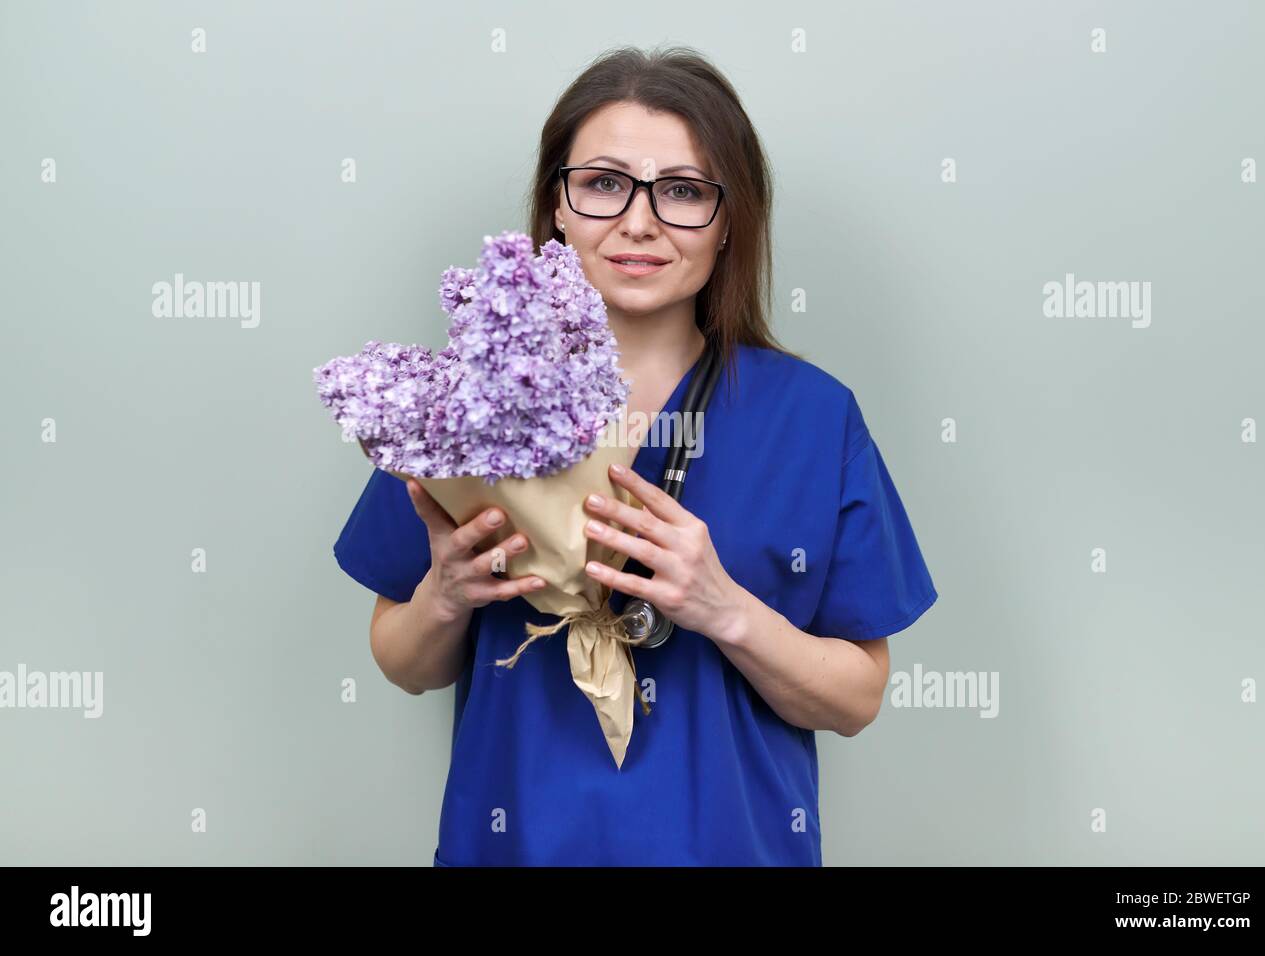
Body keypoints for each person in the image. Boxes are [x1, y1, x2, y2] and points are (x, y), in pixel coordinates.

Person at [332, 45, 938, 866]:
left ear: (731, 223)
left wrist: (725, 609)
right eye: (604, 183)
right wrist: (445, 596)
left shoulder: (813, 418)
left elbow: (856, 697)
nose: (640, 220)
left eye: (684, 191)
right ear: (557, 206)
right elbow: (404, 664)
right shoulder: (463, 403)